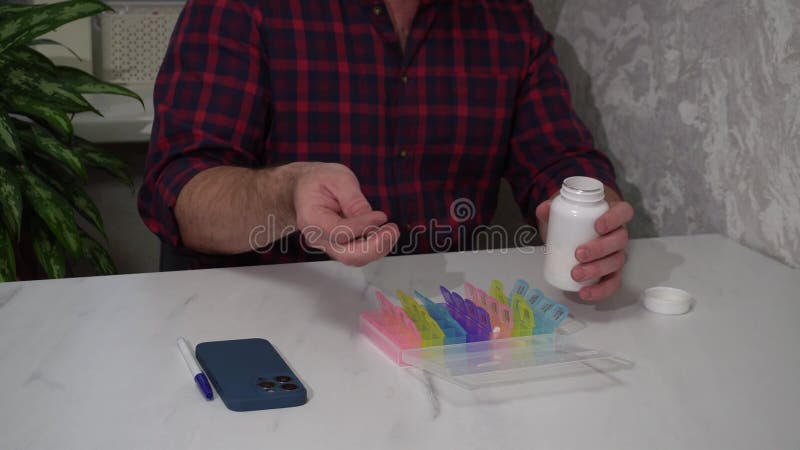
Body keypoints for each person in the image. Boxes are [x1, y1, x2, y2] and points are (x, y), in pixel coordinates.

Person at [138, 0, 634, 301]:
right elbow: (182, 194)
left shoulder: (507, 19)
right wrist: (287, 193)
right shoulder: (241, 8)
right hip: (274, 324)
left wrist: (591, 220)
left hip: (440, 327)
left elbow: (559, 159)